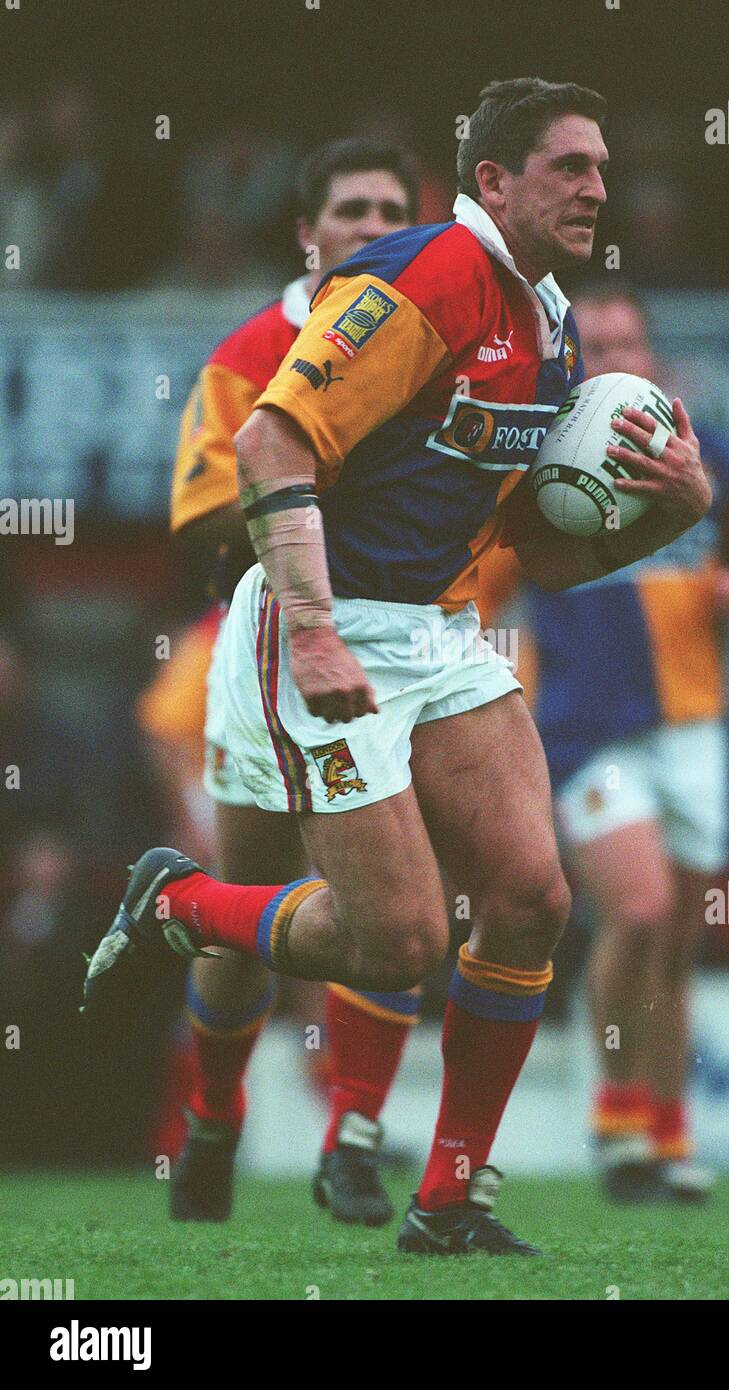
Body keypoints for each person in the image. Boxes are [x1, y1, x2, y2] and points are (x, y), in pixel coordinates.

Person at [84, 78, 712, 1256]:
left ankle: (449, 1196)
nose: (596, 186)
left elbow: (537, 546)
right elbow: (271, 438)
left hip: (436, 628)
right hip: (323, 618)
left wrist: (666, 517)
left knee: (532, 897)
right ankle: (177, 900)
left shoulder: (552, 322)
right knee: (399, 944)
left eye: (601, 165)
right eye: (568, 166)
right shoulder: (424, 279)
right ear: (492, 181)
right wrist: (314, 626)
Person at [162, 137, 421, 1226]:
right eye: (350, 208)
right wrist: (301, 476)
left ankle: (353, 1136)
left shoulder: (435, 343)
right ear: (305, 232)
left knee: (402, 896)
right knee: (247, 906)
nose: (371, 226)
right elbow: (195, 512)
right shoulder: (250, 352)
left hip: (404, 646)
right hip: (266, 642)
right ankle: (211, 1113)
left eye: (392, 210)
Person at [521, 281, 729, 1201]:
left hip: (693, 731)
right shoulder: (535, 464)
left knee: (678, 945)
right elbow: (473, 581)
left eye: (626, 343)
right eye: (593, 345)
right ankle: (614, 1117)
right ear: (568, 361)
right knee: (638, 912)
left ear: (651, 357)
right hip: (585, 731)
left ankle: (666, 1130)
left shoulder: (706, 456)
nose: (612, 360)